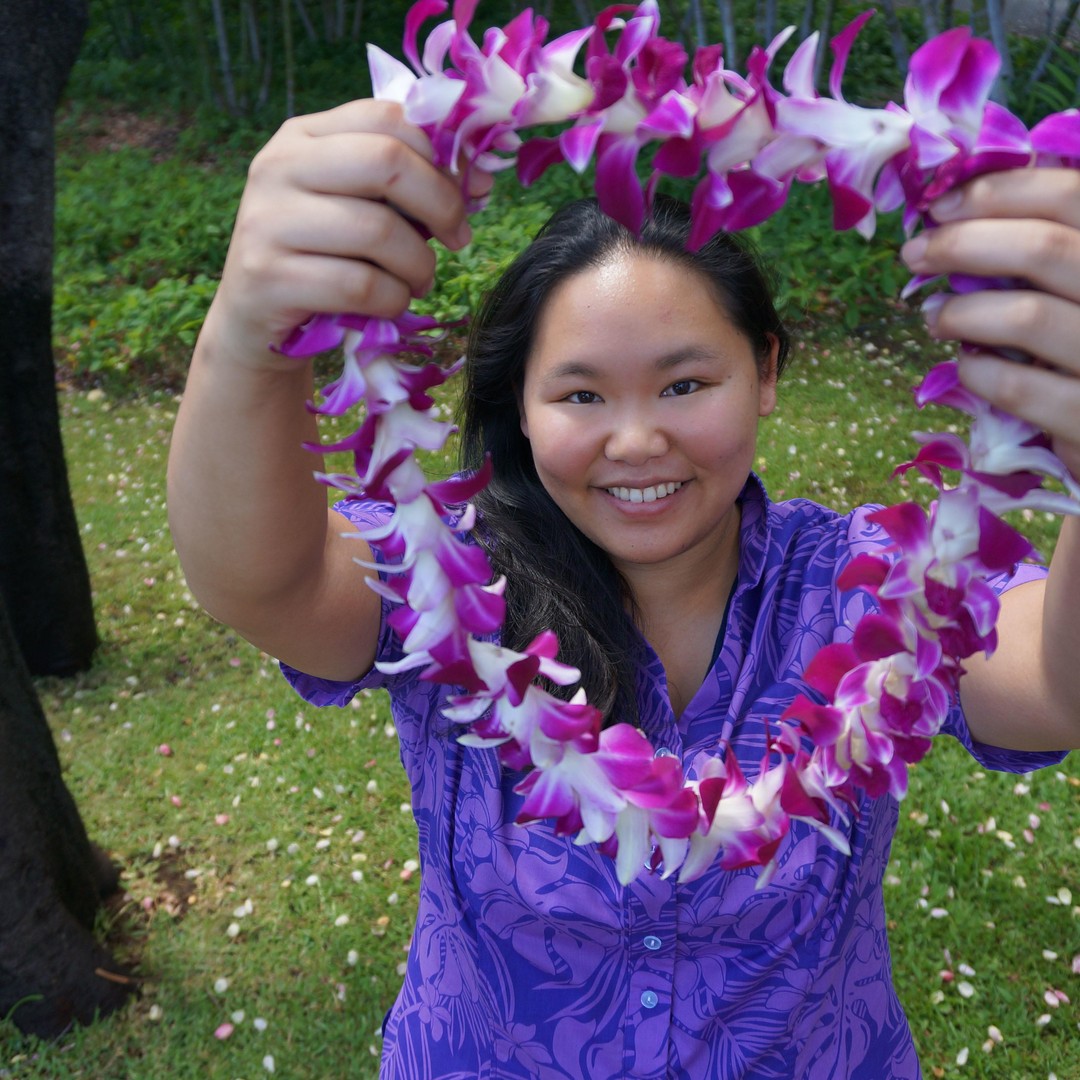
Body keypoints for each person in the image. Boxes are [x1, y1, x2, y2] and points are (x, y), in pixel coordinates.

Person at [167, 99, 1080, 1078]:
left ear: (765, 371)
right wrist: (246, 333)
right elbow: (265, 584)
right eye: (581, 394)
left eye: (685, 384)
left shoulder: (874, 586)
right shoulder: (454, 579)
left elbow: (1051, 684)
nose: (637, 440)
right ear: (521, 407)